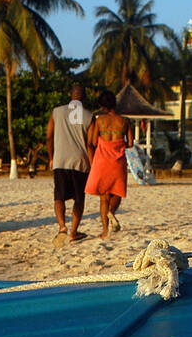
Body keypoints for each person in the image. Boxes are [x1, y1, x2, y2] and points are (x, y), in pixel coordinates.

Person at [46, 83, 93, 245]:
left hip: (60, 159)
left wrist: (51, 156)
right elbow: (91, 143)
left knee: (59, 195)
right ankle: (73, 231)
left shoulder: (57, 112)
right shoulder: (89, 115)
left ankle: (62, 227)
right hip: (80, 161)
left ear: (70, 95)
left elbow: (48, 136)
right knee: (79, 198)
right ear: (84, 96)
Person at [84, 90, 131, 239]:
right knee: (117, 191)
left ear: (102, 106)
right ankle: (112, 212)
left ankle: (105, 232)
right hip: (117, 160)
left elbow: (91, 142)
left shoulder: (99, 121)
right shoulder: (124, 121)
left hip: (102, 160)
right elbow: (130, 143)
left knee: (103, 197)